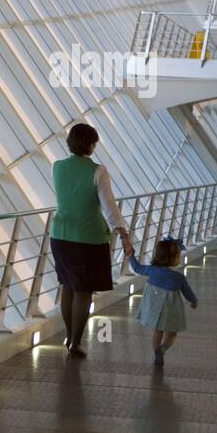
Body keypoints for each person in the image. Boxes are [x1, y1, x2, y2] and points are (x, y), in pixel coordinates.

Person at [49, 123, 131, 358]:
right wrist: (123, 233)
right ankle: (75, 342)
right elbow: (109, 208)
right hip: (88, 238)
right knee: (84, 291)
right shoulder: (98, 171)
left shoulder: (57, 167)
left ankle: (68, 334)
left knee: (67, 286)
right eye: (94, 142)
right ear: (90, 144)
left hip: (60, 235)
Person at [127, 237, 197, 367]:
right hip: (171, 311)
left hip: (155, 309)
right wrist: (194, 301)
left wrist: (131, 255)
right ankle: (162, 349)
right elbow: (188, 292)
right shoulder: (179, 278)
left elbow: (137, 268)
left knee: (157, 332)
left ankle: (156, 354)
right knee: (172, 333)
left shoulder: (152, 270)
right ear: (174, 258)